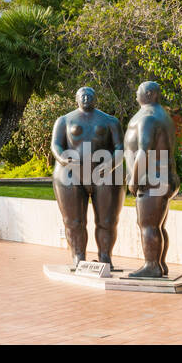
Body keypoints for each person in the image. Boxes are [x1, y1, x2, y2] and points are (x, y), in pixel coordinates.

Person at [50, 86, 124, 267]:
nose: (86, 99)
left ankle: (105, 257)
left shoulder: (109, 121)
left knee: (108, 221)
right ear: (76, 99)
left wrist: (110, 164)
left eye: (89, 96)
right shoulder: (64, 120)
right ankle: (78, 257)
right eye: (82, 96)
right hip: (70, 174)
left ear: (95, 98)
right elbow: (55, 145)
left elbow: (120, 148)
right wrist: (62, 158)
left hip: (105, 174)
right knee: (74, 222)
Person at [123, 80, 179, 278]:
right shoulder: (162, 114)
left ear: (148, 94)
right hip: (163, 177)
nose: (136, 95)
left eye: (138, 91)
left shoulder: (148, 117)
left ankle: (152, 265)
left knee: (148, 225)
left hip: (151, 180)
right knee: (158, 225)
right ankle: (160, 264)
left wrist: (134, 180)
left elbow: (143, 151)